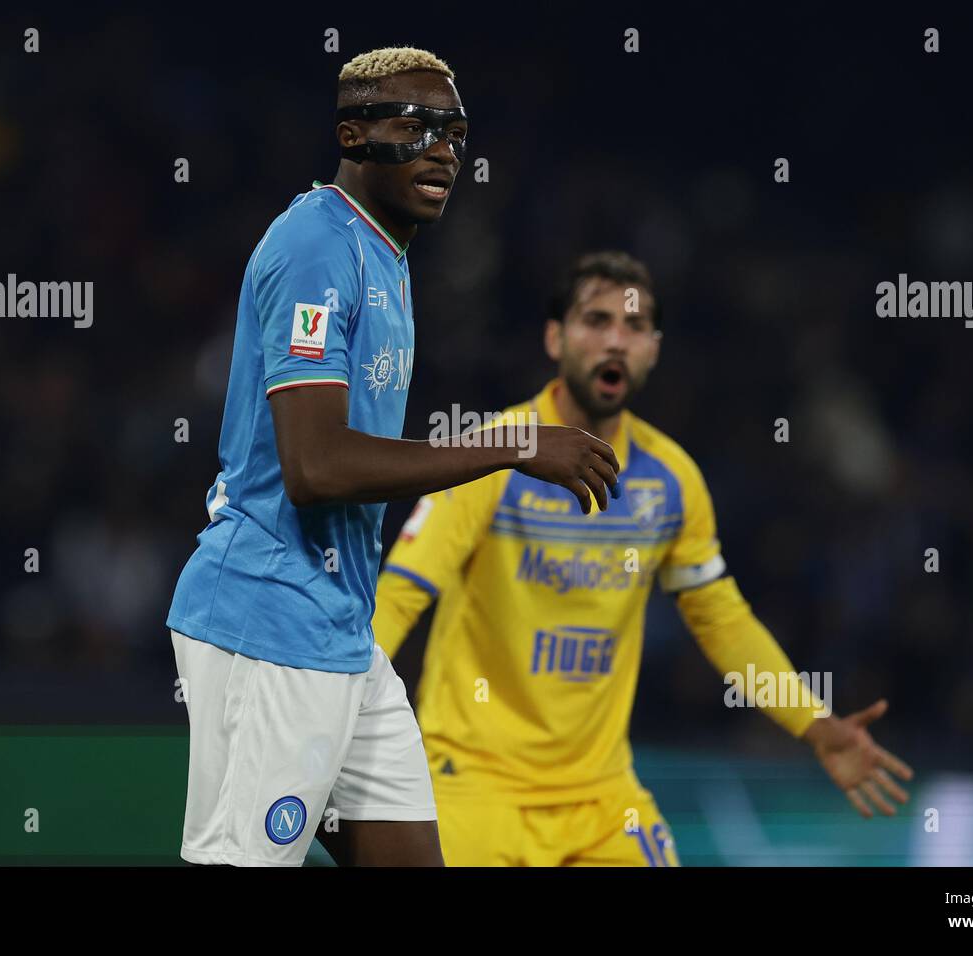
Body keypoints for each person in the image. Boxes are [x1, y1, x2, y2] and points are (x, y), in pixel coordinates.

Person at [166, 49, 619, 867]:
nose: (443, 149)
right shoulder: (314, 245)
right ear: (352, 133)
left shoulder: (384, 253)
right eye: (416, 127)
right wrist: (512, 443)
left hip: (340, 626)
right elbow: (317, 469)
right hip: (267, 617)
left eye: (455, 133)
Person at [373, 250, 914, 866]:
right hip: (471, 786)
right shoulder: (488, 455)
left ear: (654, 348)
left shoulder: (671, 479)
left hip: (601, 798)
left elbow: (722, 621)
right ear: (554, 337)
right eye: (596, 321)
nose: (615, 341)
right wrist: (336, 715)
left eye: (634, 327)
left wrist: (814, 724)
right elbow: (401, 593)